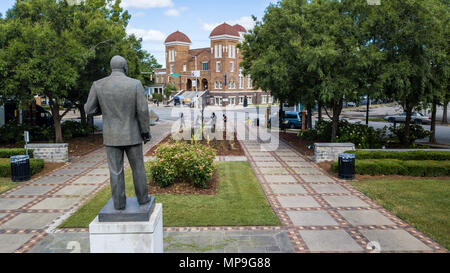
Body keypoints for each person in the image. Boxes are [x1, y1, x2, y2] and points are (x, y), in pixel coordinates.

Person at [85, 56, 151, 211]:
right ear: (125, 67)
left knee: (115, 171)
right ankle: (143, 199)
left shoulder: (98, 85)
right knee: (138, 168)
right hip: (132, 135)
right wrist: (145, 132)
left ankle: (119, 203)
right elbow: (142, 111)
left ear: (111, 67)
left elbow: (89, 110)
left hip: (111, 136)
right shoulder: (135, 84)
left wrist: (104, 108)